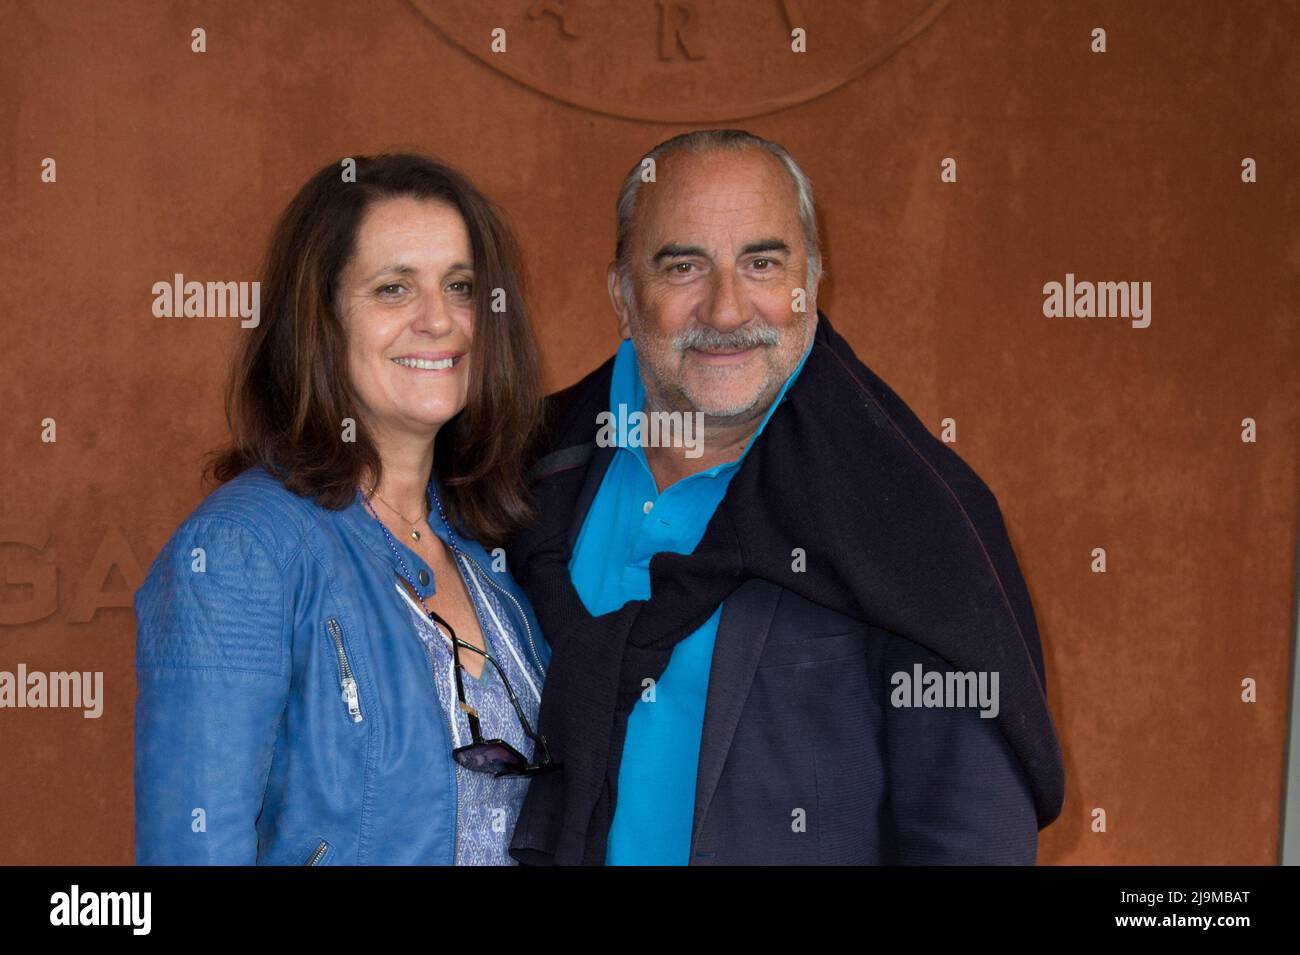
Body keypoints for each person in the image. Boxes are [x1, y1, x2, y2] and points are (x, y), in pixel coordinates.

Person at [506, 129, 1066, 865]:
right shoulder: (518, 469)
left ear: (814, 276)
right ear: (622, 293)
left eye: (763, 262)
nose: (730, 310)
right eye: (684, 266)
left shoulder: (914, 514)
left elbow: (971, 840)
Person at [133, 153, 555, 865]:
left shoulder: (493, 556)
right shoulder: (239, 551)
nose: (439, 320)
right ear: (320, 320)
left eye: (461, 287)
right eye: (394, 288)